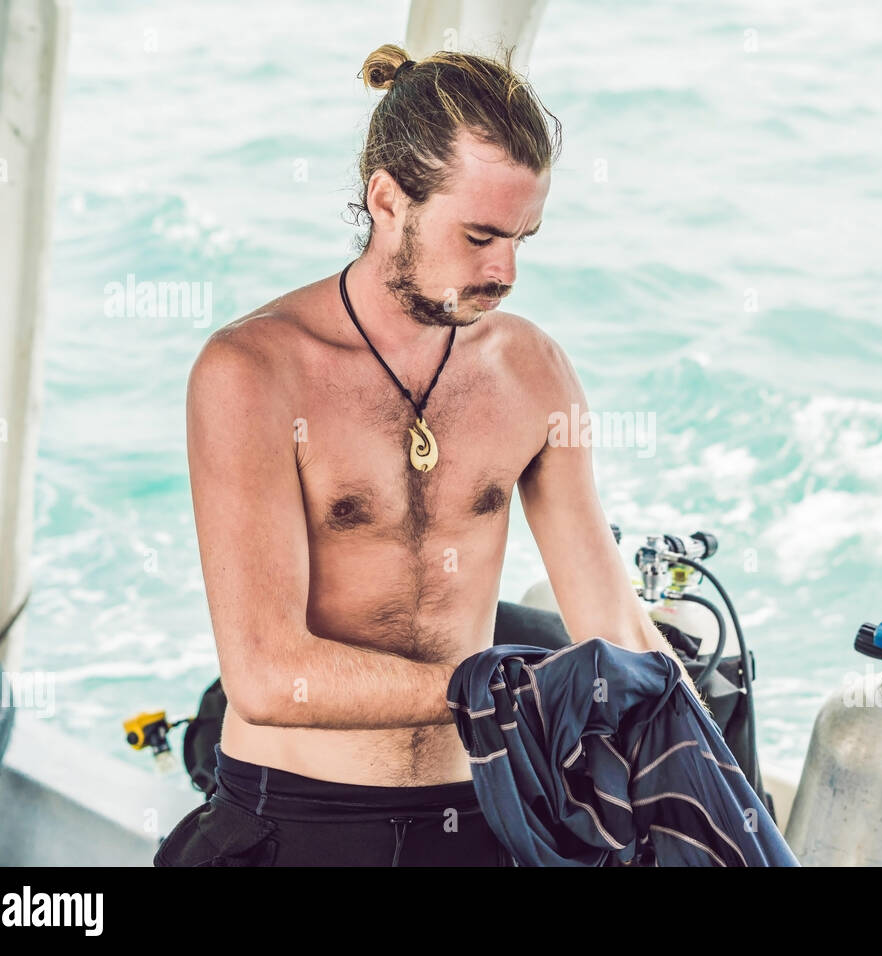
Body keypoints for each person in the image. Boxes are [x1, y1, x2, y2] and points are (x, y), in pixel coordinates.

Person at [156, 43, 704, 867]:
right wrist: (499, 693)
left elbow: (613, 620)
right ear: (387, 200)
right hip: (300, 817)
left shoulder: (532, 371)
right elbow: (266, 675)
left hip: (483, 809)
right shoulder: (252, 373)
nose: (506, 270)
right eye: (480, 235)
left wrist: (716, 785)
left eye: (523, 237)